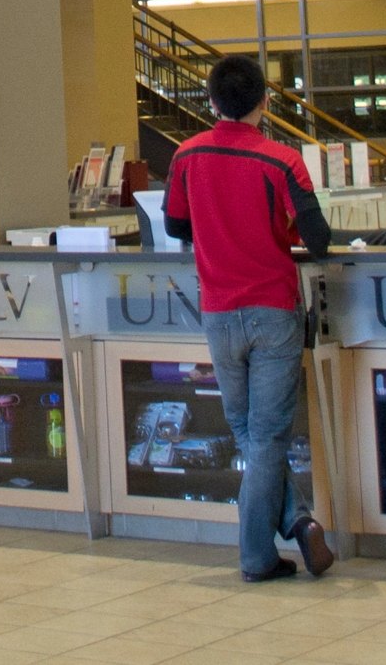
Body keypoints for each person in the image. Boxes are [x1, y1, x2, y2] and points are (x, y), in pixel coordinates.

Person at [162, 53, 335, 582]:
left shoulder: (186, 156)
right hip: (274, 311)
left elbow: (173, 226)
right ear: (265, 101)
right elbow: (320, 240)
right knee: (267, 435)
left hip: (218, 312)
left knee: (249, 432)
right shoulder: (282, 160)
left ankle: (297, 524)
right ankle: (260, 553)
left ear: (211, 102)